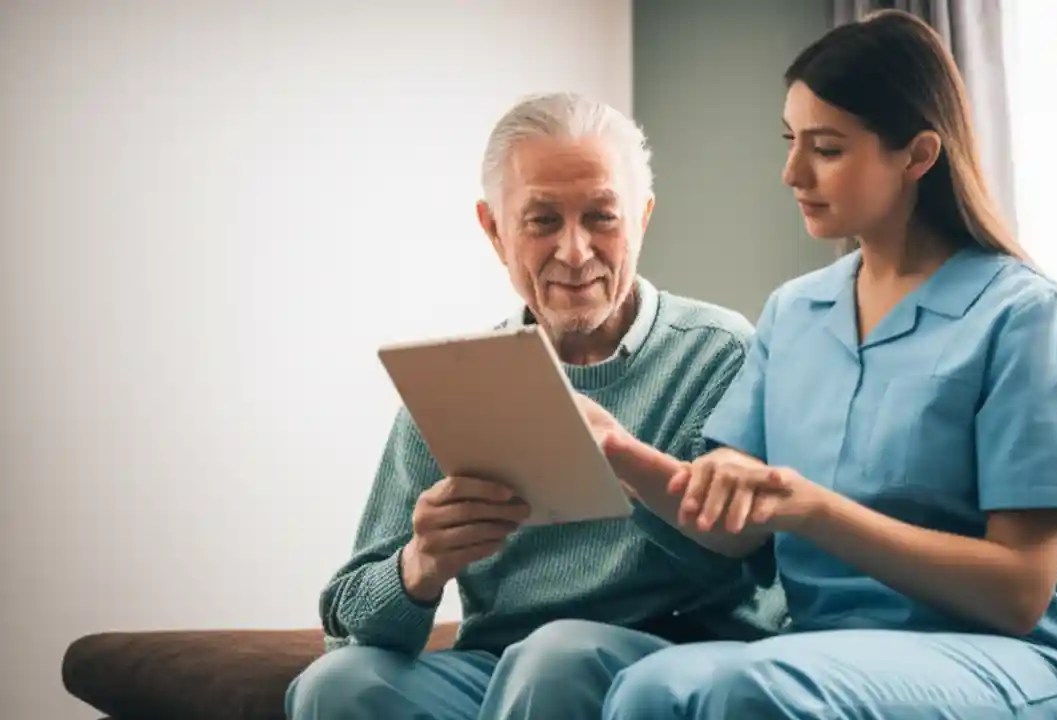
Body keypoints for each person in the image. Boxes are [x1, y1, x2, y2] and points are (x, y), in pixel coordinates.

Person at [578, 10, 1057, 719]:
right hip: (819, 649)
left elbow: (1020, 591)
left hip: (997, 655)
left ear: (918, 156)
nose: (792, 171)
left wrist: (818, 510)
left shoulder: (1027, 316)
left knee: (744, 686)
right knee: (625, 681)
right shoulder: (795, 313)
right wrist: (614, 450)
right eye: (791, 140)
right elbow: (735, 524)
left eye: (826, 148)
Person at [284, 92, 784, 720]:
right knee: (334, 684)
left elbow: (754, 565)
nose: (575, 252)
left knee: (556, 654)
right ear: (494, 230)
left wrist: (625, 466)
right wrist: (420, 567)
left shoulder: (720, 353)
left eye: (602, 217)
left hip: (669, 659)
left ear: (642, 218)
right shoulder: (456, 382)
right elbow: (346, 619)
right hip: (499, 670)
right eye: (542, 220)